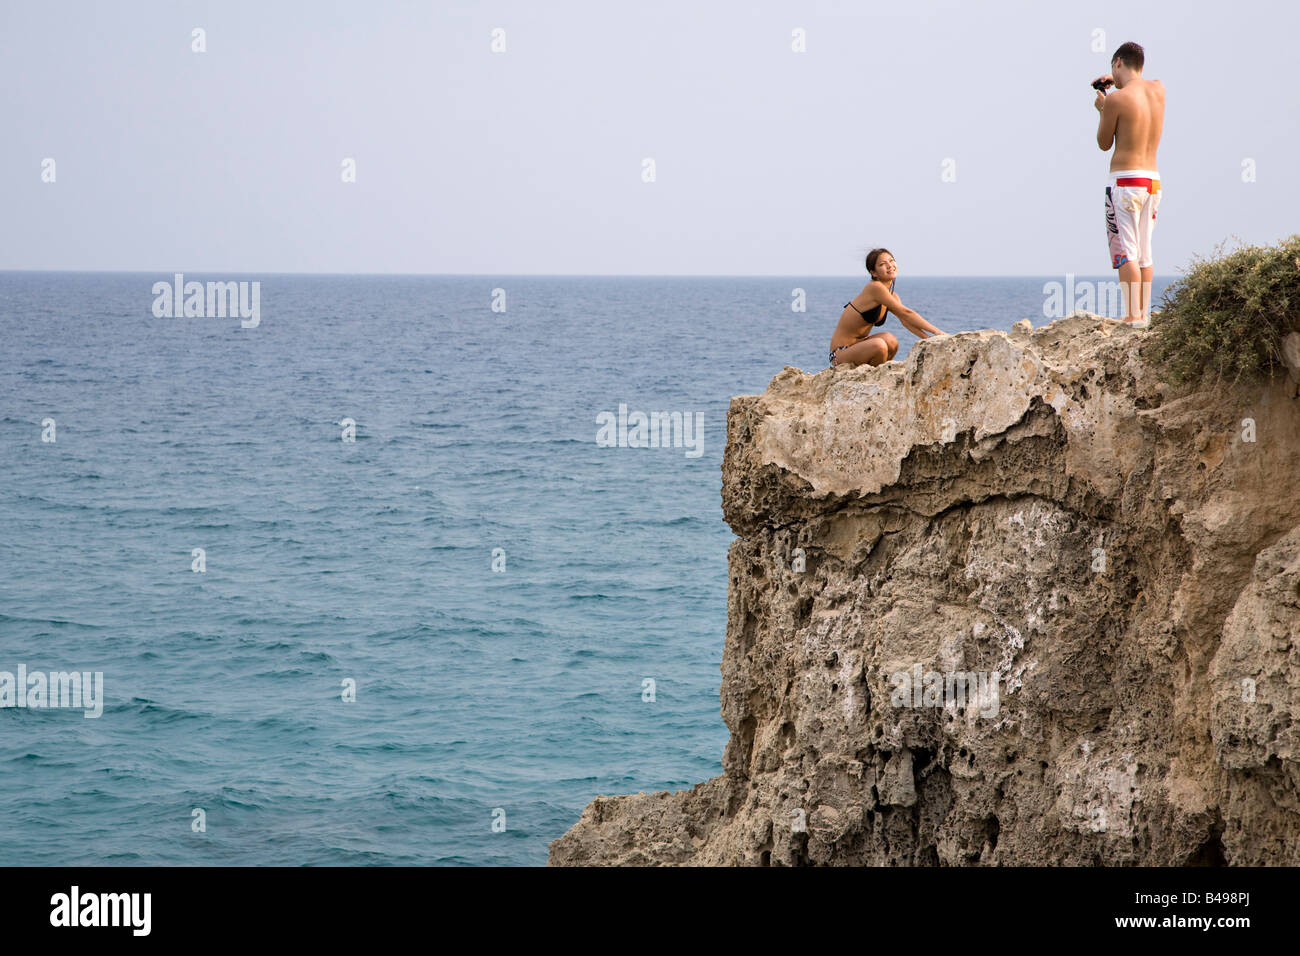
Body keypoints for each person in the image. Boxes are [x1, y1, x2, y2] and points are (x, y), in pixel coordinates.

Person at [1093, 41, 1165, 327]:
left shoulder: (1114, 101)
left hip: (1125, 181)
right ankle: (1143, 315)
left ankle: (1133, 317)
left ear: (1118, 63)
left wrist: (1103, 108)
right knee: (1145, 253)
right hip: (1152, 180)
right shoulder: (1159, 90)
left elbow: (1103, 143)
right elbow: (1139, 89)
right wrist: (1120, 81)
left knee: (1126, 252)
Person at [828, 248, 946, 368]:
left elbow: (905, 320)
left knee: (891, 341)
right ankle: (873, 377)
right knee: (879, 345)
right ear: (873, 273)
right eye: (883, 264)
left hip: (859, 346)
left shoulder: (892, 295)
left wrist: (929, 339)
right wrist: (938, 332)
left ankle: (876, 373)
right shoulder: (874, 288)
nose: (890, 266)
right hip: (840, 353)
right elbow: (907, 313)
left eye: (891, 261)